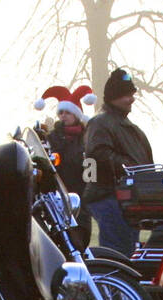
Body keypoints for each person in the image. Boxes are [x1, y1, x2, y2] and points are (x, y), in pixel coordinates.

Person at [83, 67, 153, 256]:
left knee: (128, 251)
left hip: (129, 200)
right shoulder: (100, 123)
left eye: (132, 94)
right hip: (108, 197)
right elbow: (97, 154)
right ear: (113, 97)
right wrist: (129, 167)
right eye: (126, 95)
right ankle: (111, 284)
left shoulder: (131, 129)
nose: (131, 99)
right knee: (116, 254)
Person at [38, 83, 96, 246]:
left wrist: (88, 197)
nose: (64, 116)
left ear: (77, 115)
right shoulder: (52, 138)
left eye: (68, 112)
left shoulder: (87, 139)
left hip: (80, 202)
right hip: (56, 199)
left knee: (79, 241)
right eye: (61, 112)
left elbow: (91, 173)